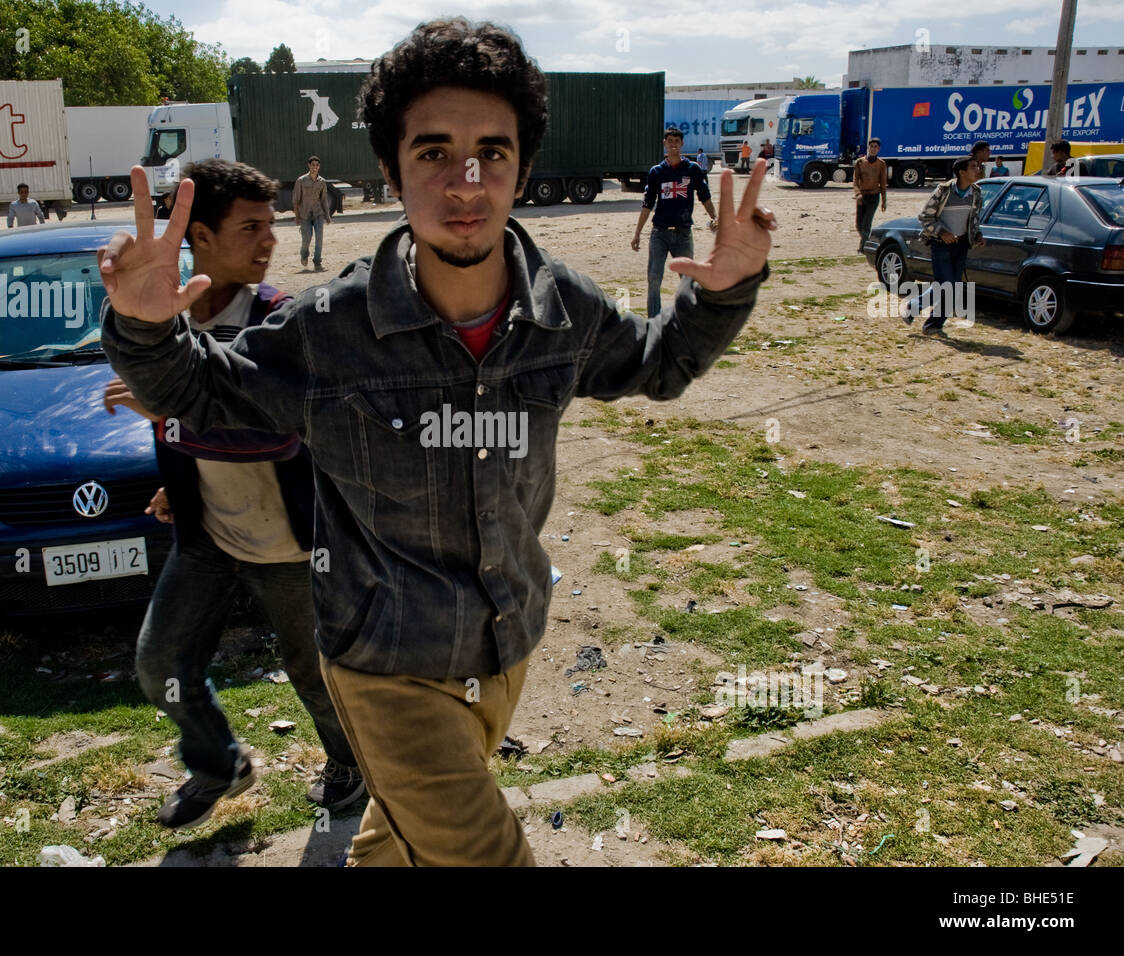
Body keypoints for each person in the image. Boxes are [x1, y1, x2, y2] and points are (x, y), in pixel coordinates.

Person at [100, 16, 774, 867]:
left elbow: (660, 363)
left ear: (523, 167)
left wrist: (724, 293)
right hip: (385, 660)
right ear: (391, 169)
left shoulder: (563, 308)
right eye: (433, 153)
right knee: (486, 855)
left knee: (400, 837)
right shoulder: (329, 331)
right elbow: (196, 389)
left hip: (507, 641)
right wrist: (144, 327)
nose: (466, 182)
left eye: (493, 151)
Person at [102, 159, 364, 828]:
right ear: (200, 236)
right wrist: (175, 472)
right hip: (209, 535)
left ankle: (349, 764)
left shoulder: (278, 316)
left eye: (270, 224)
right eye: (251, 227)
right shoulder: (167, 317)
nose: (269, 240)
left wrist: (167, 415)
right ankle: (219, 764)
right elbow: (173, 406)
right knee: (159, 661)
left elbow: (275, 433)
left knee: (311, 671)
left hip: (291, 541)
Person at [632, 125, 718, 318]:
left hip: (683, 233)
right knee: (654, 278)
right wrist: (637, 233)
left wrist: (714, 217)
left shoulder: (692, 169)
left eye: (676, 141)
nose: (673, 145)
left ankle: (691, 319)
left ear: (682, 144)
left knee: (687, 280)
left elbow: (704, 196)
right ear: (664, 143)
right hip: (660, 232)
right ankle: (654, 321)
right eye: (669, 141)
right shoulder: (656, 172)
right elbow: (647, 204)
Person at [900, 156, 985, 335]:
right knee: (945, 284)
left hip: (961, 245)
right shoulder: (943, 191)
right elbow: (925, 217)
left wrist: (977, 235)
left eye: (978, 167)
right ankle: (914, 306)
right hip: (941, 245)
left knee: (953, 288)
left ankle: (934, 325)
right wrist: (942, 232)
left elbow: (974, 220)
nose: (978, 170)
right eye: (973, 167)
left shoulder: (976, 192)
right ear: (962, 172)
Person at [292, 156, 333, 271]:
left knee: (319, 238)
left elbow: (324, 200)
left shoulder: (322, 182)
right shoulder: (301, 180)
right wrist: (297, 216)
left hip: (318, 214)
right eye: (313, 165)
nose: (315, 167)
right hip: (305, 215)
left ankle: (317, 263)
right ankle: (304, 254)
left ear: (319, 167)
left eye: (317, 165)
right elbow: (295, 200)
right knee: (307, 238)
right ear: (309, 165)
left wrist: (327, 215)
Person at [853, 137, 888, 253]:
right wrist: (858, 194)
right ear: (868, 147)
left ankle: (862, 249)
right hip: (862, 197)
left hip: (874, 196)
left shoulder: (881, 164)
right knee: (859, 225)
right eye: (871, 146)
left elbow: (883, 183)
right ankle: (868, 240)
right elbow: (855, 180)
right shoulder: (860, 162)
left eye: (876, 147)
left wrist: (884, 200)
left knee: (867, 224)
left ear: (879, 149)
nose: (873, 149)